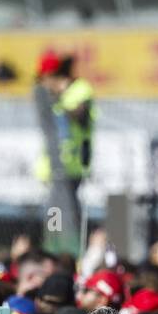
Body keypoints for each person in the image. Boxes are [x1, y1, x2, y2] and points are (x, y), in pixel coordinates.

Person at [36, 55, 95, 229]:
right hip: (54, 165)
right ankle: (56, 240)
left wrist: (58, 99)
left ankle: (63, 245)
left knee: (67, 212)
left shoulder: (79, 89)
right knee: (55, 211)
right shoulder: (46, 97)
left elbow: (80, 115)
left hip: (73, 164)